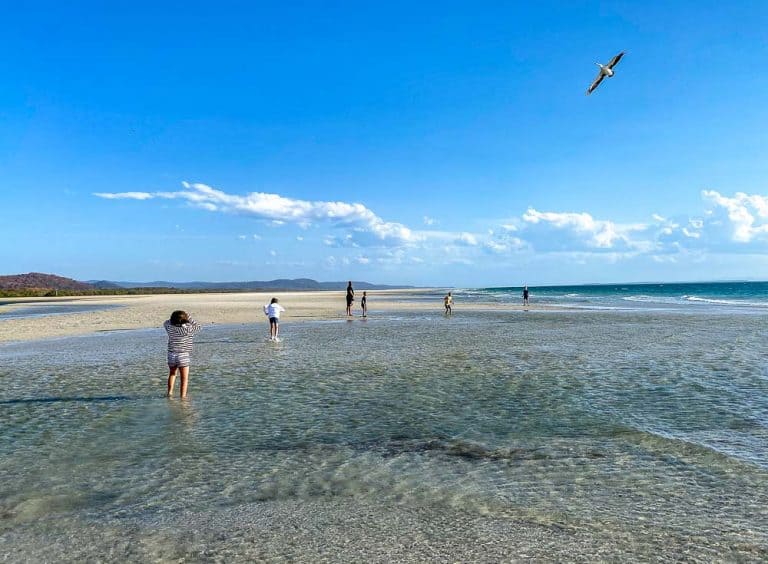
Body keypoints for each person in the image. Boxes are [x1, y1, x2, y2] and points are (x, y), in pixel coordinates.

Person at [164, 310, 202, 399]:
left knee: (172, 373)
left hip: (171, 355)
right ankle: (183, 397)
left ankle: (169, 393)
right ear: (185, 320)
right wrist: (189, 317)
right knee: (184, 379)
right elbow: (199, 327)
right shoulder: (188, 329)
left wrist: (174, 319)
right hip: (183, 355)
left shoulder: (168, 326)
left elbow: (166, 321)